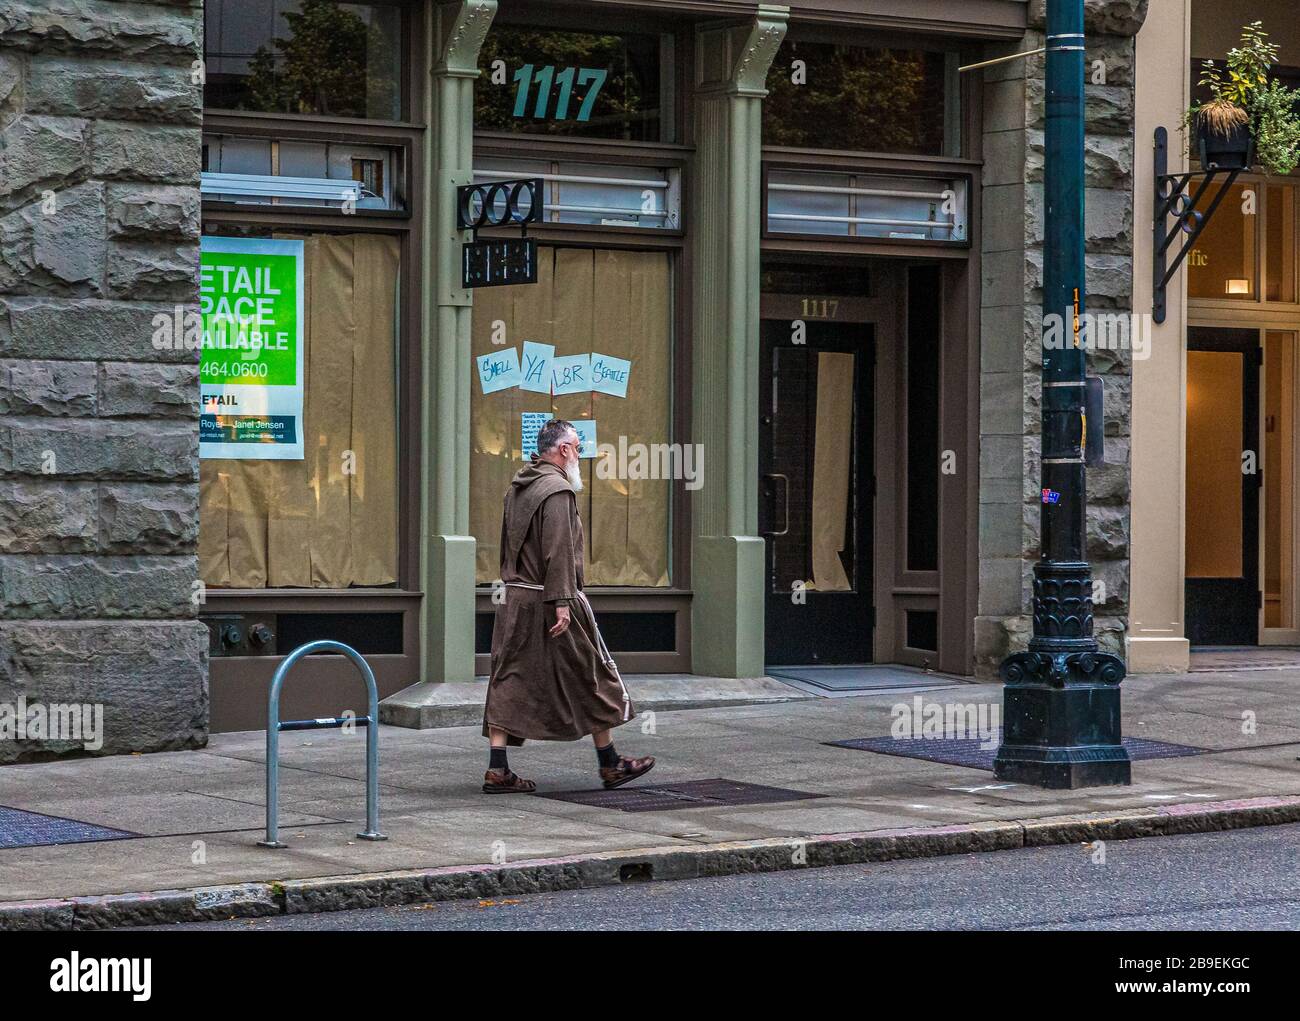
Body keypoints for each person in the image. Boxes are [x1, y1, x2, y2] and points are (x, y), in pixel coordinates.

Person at [482, 419, 656, 794]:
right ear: (562, 450)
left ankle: (498, 768)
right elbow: (558, 550)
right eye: (577, 448)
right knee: (588, 672)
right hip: (550, 598)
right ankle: (610, 764)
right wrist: (562, 602)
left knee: (508, 678)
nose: (579, 454)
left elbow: (506, 548)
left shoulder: (518, 487)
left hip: (515, 598)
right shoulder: (557, 490)